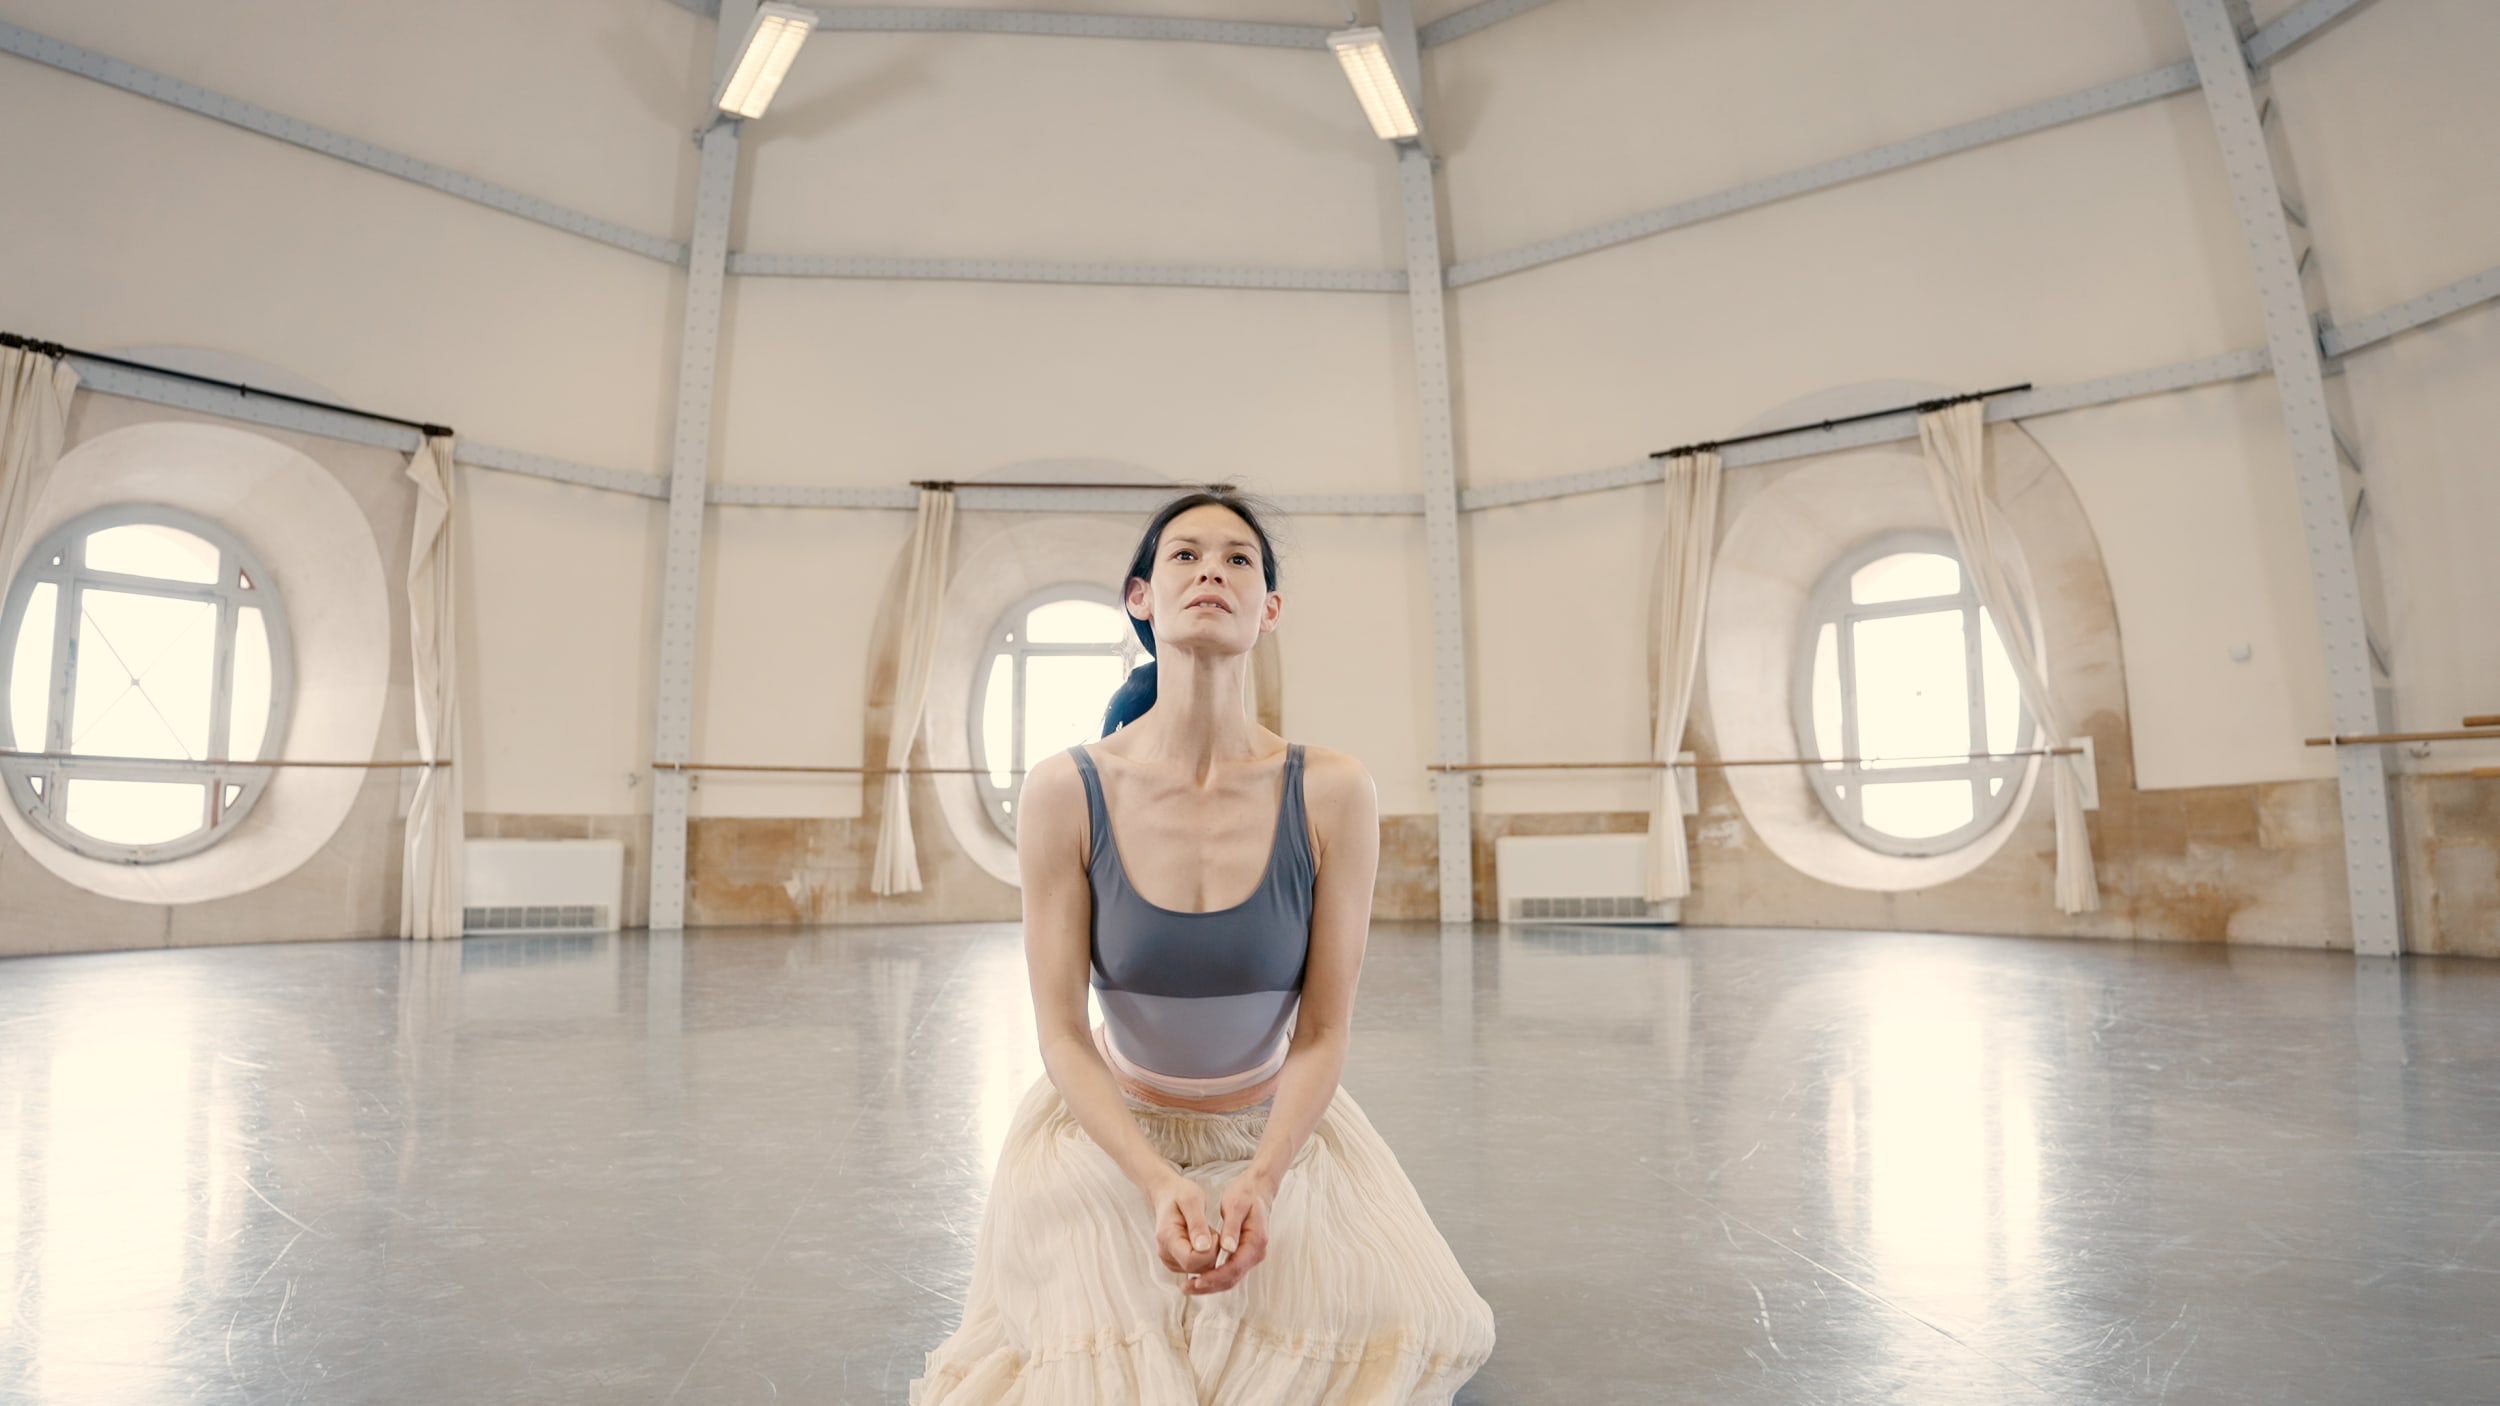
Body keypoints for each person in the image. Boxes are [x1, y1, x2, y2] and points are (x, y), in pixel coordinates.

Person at [912, 489, 1494, 1403]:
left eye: (1237, 558)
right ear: (1140, 598)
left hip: (1275, 1133)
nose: (1211, 569)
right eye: (1183, 556)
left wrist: (1262, 1181)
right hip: (1110, 1132)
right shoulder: (1065, 791)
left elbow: (1324, 1030)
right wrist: (1151, 1183)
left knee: (1364, 1355)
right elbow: (1063, 1033)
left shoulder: (1335, 792)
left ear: (1268, 609)